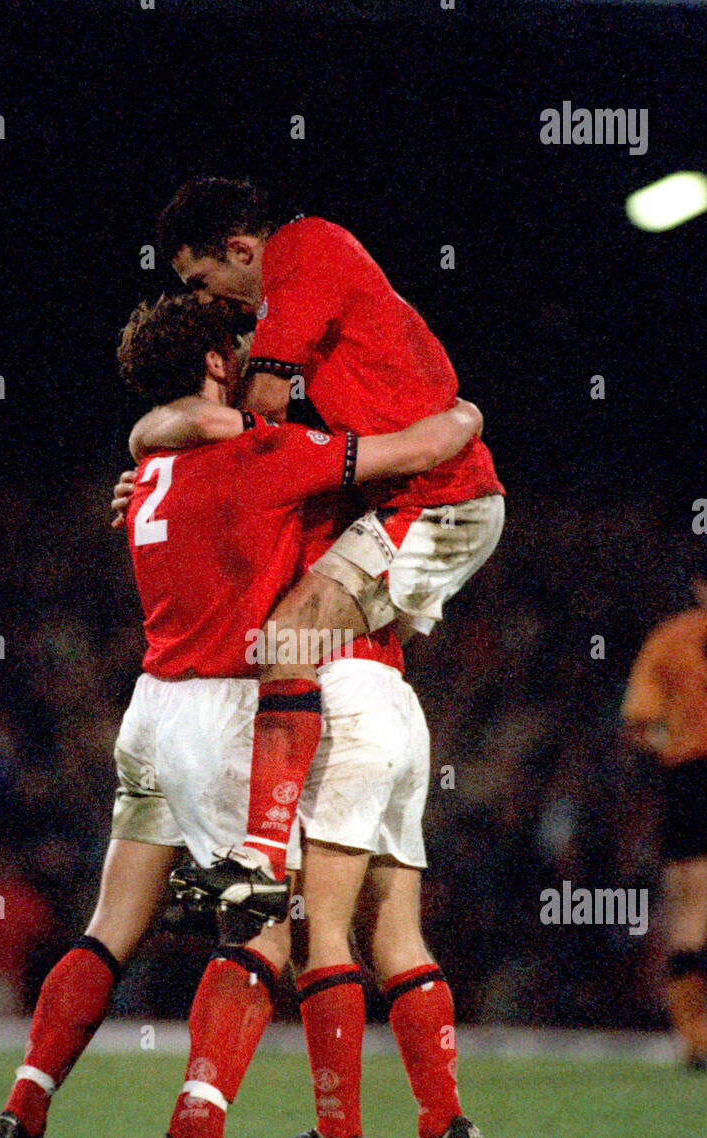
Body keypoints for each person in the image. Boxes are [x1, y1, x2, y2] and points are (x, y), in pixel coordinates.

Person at [0, 292, 485, 1138]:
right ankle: (201, 1133)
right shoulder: (265, 453)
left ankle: (23, 1109)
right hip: (233, 703)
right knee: (271, 924)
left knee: (111, 926)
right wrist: (466, 413)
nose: (273, 361)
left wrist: (155, 435)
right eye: (253, 349)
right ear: (220, 359)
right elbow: (420, 451)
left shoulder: (157, 469)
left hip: (149, 707)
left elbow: (159, 439)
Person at [129, 177, 505, 907]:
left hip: (439, 502)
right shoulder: (308, 275)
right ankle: (267, 858)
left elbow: (261, 410)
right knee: (379, 935)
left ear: (241, 249)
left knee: (289, 634)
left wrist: (163, 442)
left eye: (201, 282)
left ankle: (262, 860)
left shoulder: (302, 250)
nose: (209, 305)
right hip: (411, 497)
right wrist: (156, 447)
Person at [620, 538, 707, 1069]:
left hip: (695, 777)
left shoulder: (671, 636)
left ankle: (696, 1038)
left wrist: (676, 747)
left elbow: (640, 723)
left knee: (691, 910)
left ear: (698, 585)